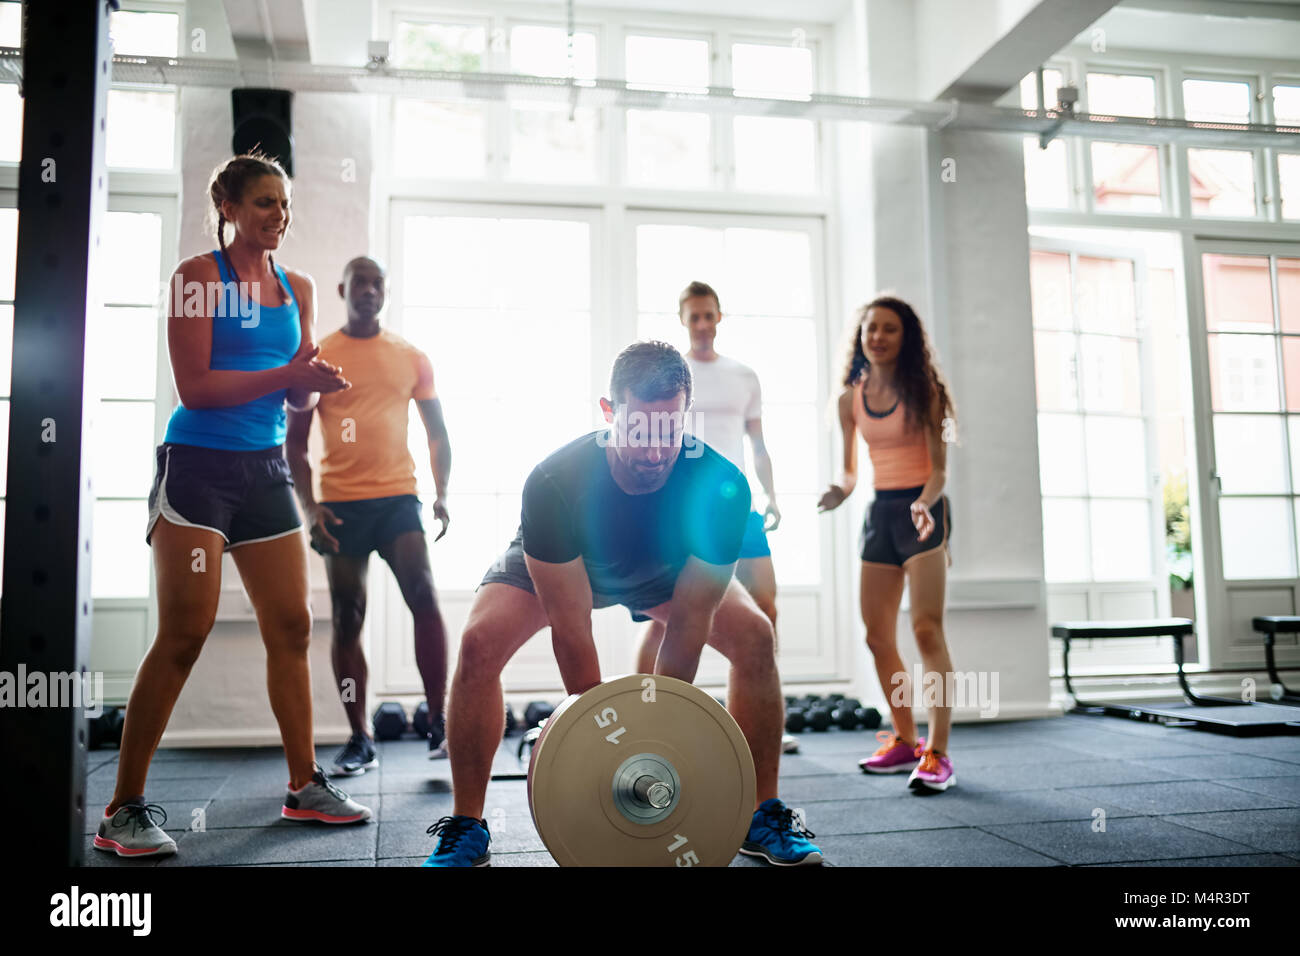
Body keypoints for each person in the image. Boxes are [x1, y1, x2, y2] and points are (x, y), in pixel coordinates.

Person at [423, 341, 822, 866]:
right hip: (567, 560)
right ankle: (468, 827)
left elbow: (688, 625)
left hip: (663, 565)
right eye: (640, 430)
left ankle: (762, 814)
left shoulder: (721, 486)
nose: (656, 452)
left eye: (670, 431)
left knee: (754, 636)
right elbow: (572, 629)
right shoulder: (554, 483)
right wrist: (603, 744)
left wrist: (657, 738)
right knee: (478, 643)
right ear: (609, 412)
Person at [96, 154, 371, 859]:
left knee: (292, 623)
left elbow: (294, 394)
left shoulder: (296, 286)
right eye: (263, 204)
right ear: (228, 205)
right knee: (186, 631)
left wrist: (316, 384)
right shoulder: (197, 279)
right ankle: (122, 807)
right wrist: (289, 372)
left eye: (284, 204)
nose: (278, 216)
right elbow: (196, 388)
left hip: (266, 469)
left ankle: (304, 784)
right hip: (199, 470)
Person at [286, 256, 452, 774]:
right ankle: (360, 736)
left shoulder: (410, 355)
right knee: (348, 616)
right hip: (341, 506)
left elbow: (437, 434)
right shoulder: (320, 357)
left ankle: (440, 723)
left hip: (398, 498)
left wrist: (442, 492)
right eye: (361, 283)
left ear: (385, 291)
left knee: (423, 596)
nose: (370, 291)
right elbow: (294, 447)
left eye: (378, 284)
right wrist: (311, 510)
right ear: (344, 289)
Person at [633, 281, 798, 755]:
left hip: (737, 504)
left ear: (719, 317)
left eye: (709, 315)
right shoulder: (672, 377)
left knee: (765, 606)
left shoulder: (744, 375)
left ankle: (755, 716)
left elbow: (758, 444)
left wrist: (772, 494)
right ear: (683, 320)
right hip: (685, 507)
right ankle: (642, 713)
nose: (702, 324)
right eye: (694, 317)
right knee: (666, 615)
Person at [817, 296, 957, 793]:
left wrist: (924, 503)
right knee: (877, 637)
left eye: (889, 329)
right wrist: (840, 489)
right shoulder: (847, 399)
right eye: (870, 328)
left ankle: (938, 754)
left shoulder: (928, 392)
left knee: (925, 631)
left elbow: (941, 468)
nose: (877, 336)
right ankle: (904, 740)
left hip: (923, 513)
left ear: (906, 337)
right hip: (880, 515)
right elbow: (851, 469)